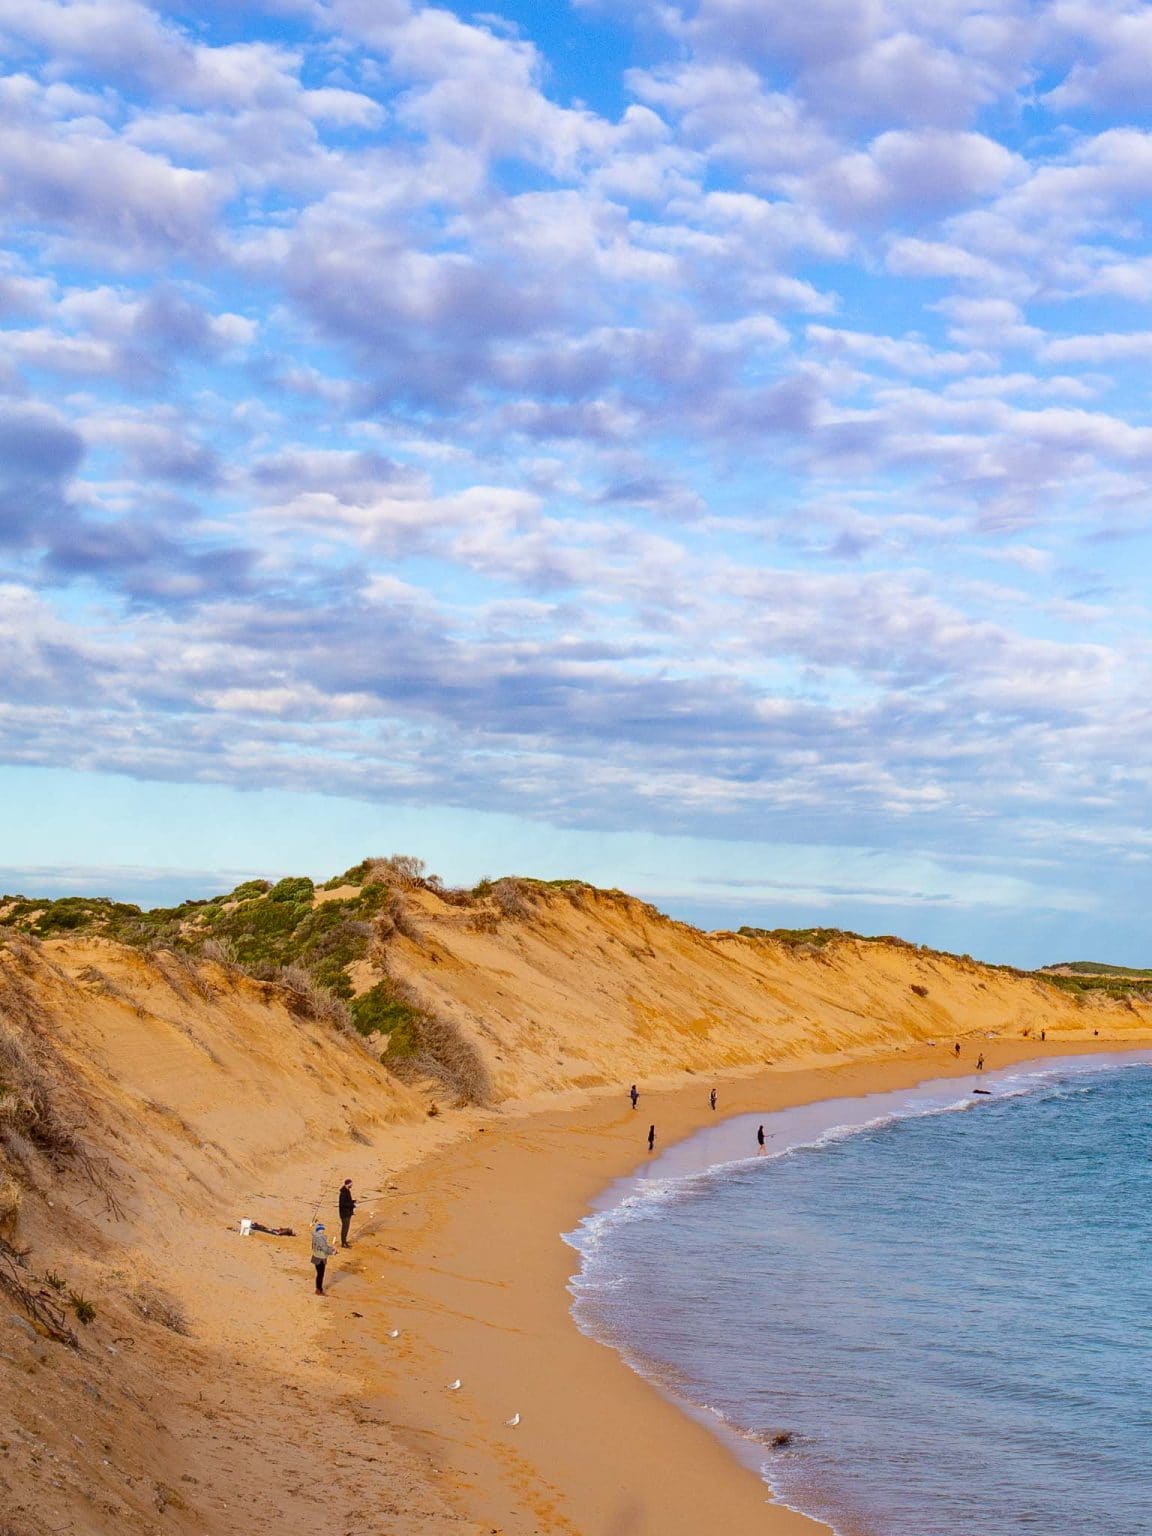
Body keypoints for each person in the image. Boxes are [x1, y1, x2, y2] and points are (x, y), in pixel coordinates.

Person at [311, 1222, 336, 1295]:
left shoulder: (315, 1236)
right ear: (319, 1230)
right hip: (320, 1258)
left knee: (319, 1274)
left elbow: (324, 1246)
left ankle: (319, 1289)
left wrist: (331, 1249)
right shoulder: (320, 1238)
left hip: (316, 1257)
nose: (322, 1231)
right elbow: (324, 1248)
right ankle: (319, 1290)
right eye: (322, 1229)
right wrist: (332, 1252)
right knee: (320, 1275)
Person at [338, 1178, 356, 1248]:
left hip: (347, 1213)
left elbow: (348, 1201)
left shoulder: (347, 1191)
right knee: (345, 1228)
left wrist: (353, 1201)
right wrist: (353, 1205)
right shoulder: (343, 1193)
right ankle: (343, 1243)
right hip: (344, 1214)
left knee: (346, 1228)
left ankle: (344, 1241)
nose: (352, 1185)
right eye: (351, 1184)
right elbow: (343, 1204)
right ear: (347, 1184)